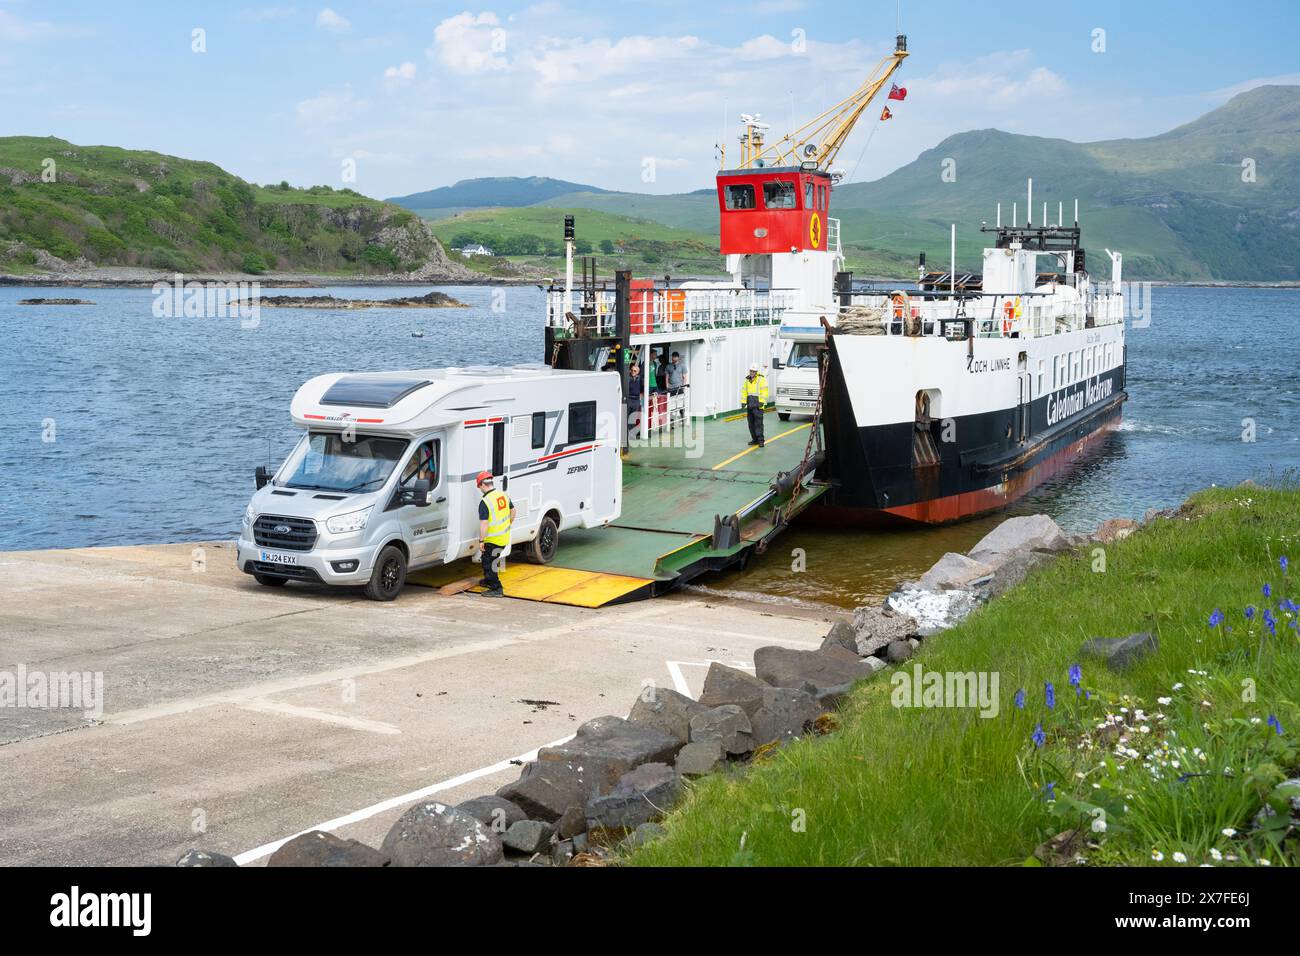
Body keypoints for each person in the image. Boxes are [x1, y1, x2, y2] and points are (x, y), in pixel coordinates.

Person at [476, 471, 515, 597]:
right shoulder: (503, 495)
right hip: (504, 537)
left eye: (479, 487)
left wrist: (481, 540)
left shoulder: (485, 502)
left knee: (489, 564)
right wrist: (507, 524)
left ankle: (496, 588)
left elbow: (484, 524)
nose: (480, 489)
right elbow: (513, 511)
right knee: (489, 560)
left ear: (483, 484)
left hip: (493, 540)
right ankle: (488, 581)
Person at [741, 363, 769, 447]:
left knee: (758, 424)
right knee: (751, 423)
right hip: (750, 405)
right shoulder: (747, 380)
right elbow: (744, 391)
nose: (752, 372)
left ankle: (760, 440)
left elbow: (765, 391)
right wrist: (743, 402)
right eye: (751, 371)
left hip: (758, 405)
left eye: (754, 371)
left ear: (756, 372)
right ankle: (755, 439)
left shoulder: (761, 379)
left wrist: (762, 401)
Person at [626, 361, 643, 440]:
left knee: (633, 418)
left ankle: (631, 434)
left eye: (635, 371)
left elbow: (643, 389)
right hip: (628, 399)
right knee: (626, 417)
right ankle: (625, 434)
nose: (632, 372)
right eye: (632, 370)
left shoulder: (640, 379)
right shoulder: (627, 378)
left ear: (638, 372)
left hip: (636, 400)